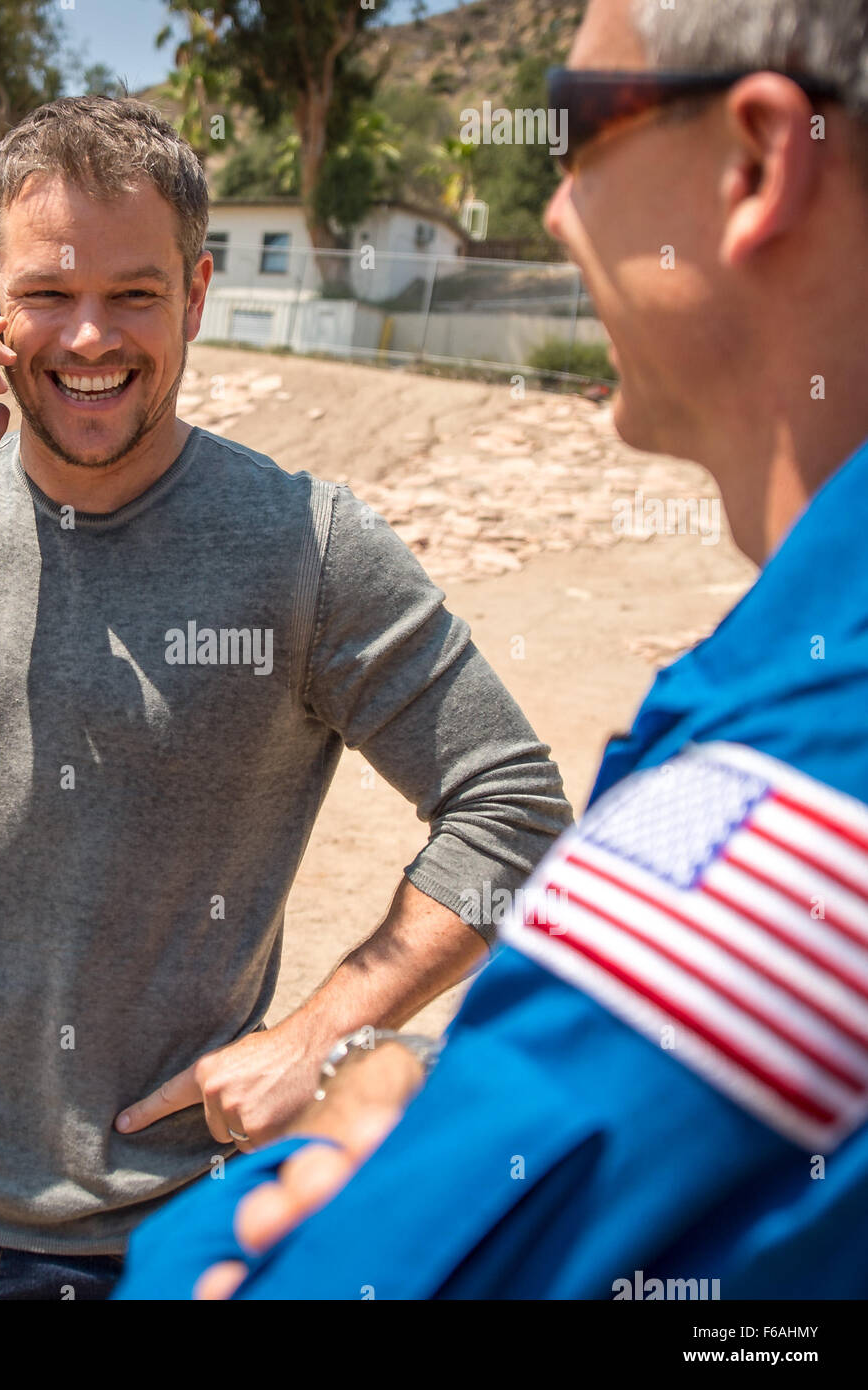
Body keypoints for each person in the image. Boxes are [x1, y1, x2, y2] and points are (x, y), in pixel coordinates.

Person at [0, 96, 570, 1300]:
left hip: (128, 1247)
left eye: (135, 294)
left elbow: (512, 807)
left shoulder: (307, 546)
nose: (89, 335)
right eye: (47, 292)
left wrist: (321, 1032)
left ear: (196, 296)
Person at [112, 0, 868, 1301]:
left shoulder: (805, 761)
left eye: (577, 128)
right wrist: (407, 1084)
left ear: (752, 161)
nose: (556, 210)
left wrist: (234, 1214)